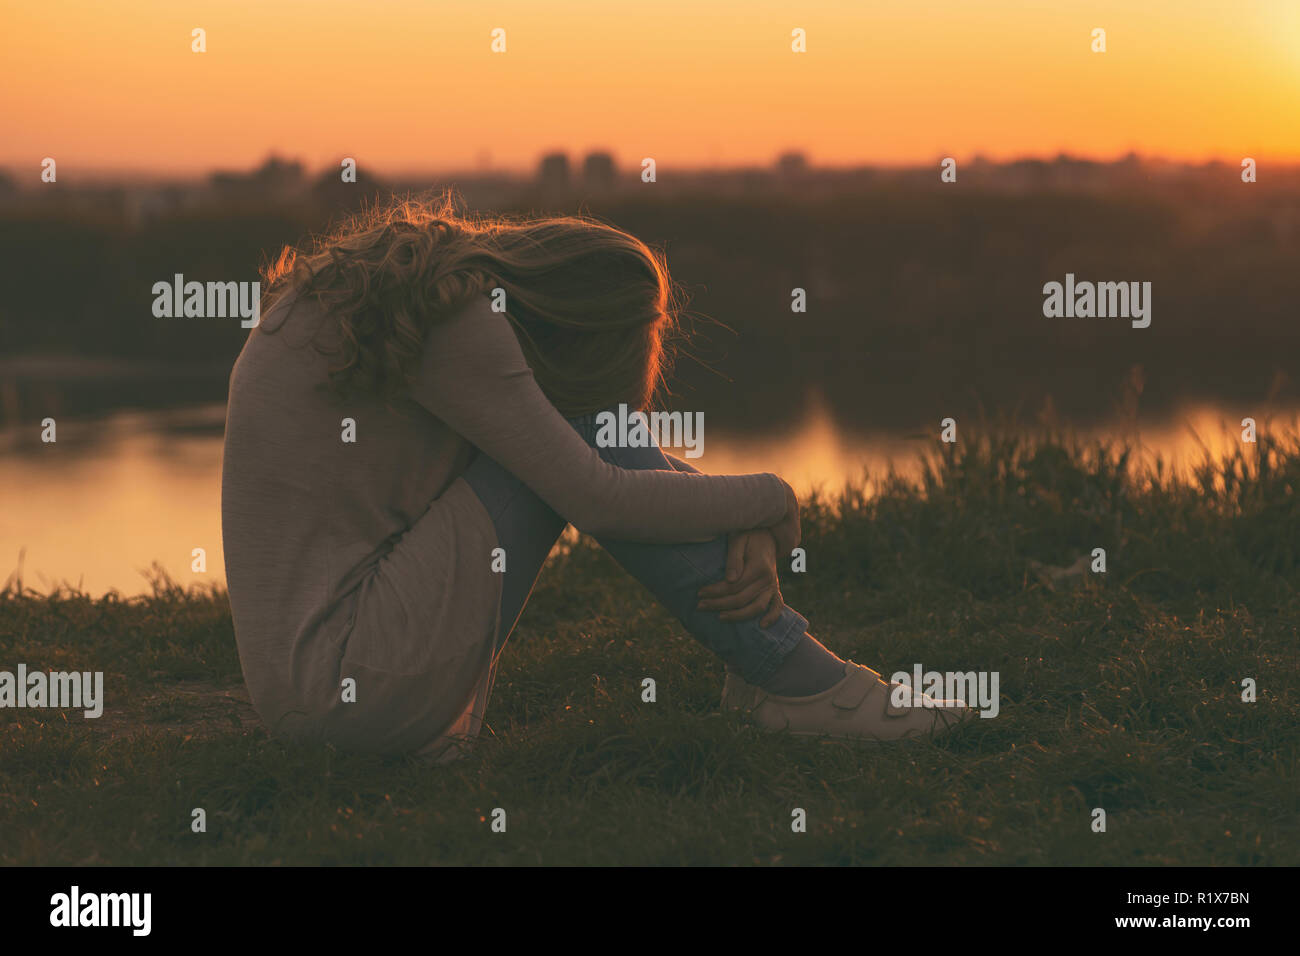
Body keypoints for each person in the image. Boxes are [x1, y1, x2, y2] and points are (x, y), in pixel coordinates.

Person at [220, 195, 967, 762]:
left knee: (577, 442)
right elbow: (599, 495)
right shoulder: (460, 323)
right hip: (349, 687)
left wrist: (741, 516)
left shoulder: (402, 292)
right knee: (582, 434)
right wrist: (772, 497)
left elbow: (598, 476)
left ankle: (775, 674)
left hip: (317, 687)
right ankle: (800, 685)